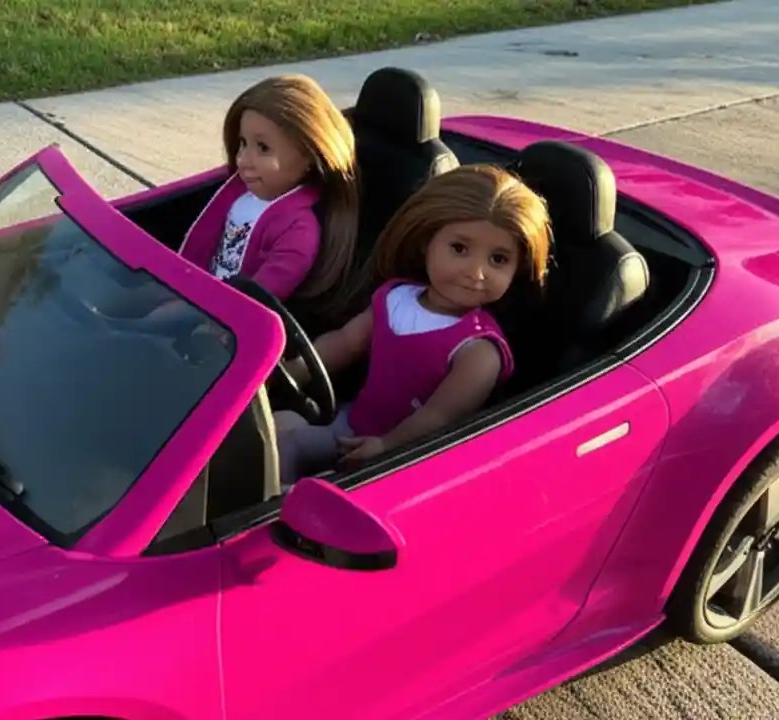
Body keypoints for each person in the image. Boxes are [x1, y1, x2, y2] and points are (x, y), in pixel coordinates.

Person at [275, 164, 552, 486]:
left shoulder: (479, 350)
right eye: (459, 249)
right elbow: (346, 341)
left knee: (313, 488)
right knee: (280, 439)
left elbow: (440, 417)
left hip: (398, 462)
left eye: (498, 259)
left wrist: (386, 446)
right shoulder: (396, 296)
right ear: (426, 242)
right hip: (352, 425)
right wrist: (288, 372)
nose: (476, 272)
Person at [179, 73, 359, 310]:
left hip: (224, 322)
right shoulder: (240, 192)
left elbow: (259, 301)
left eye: (263, 148)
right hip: (196, 293)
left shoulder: (298, 231)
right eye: (243, 143)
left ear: (308, 157)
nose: (243, 159)